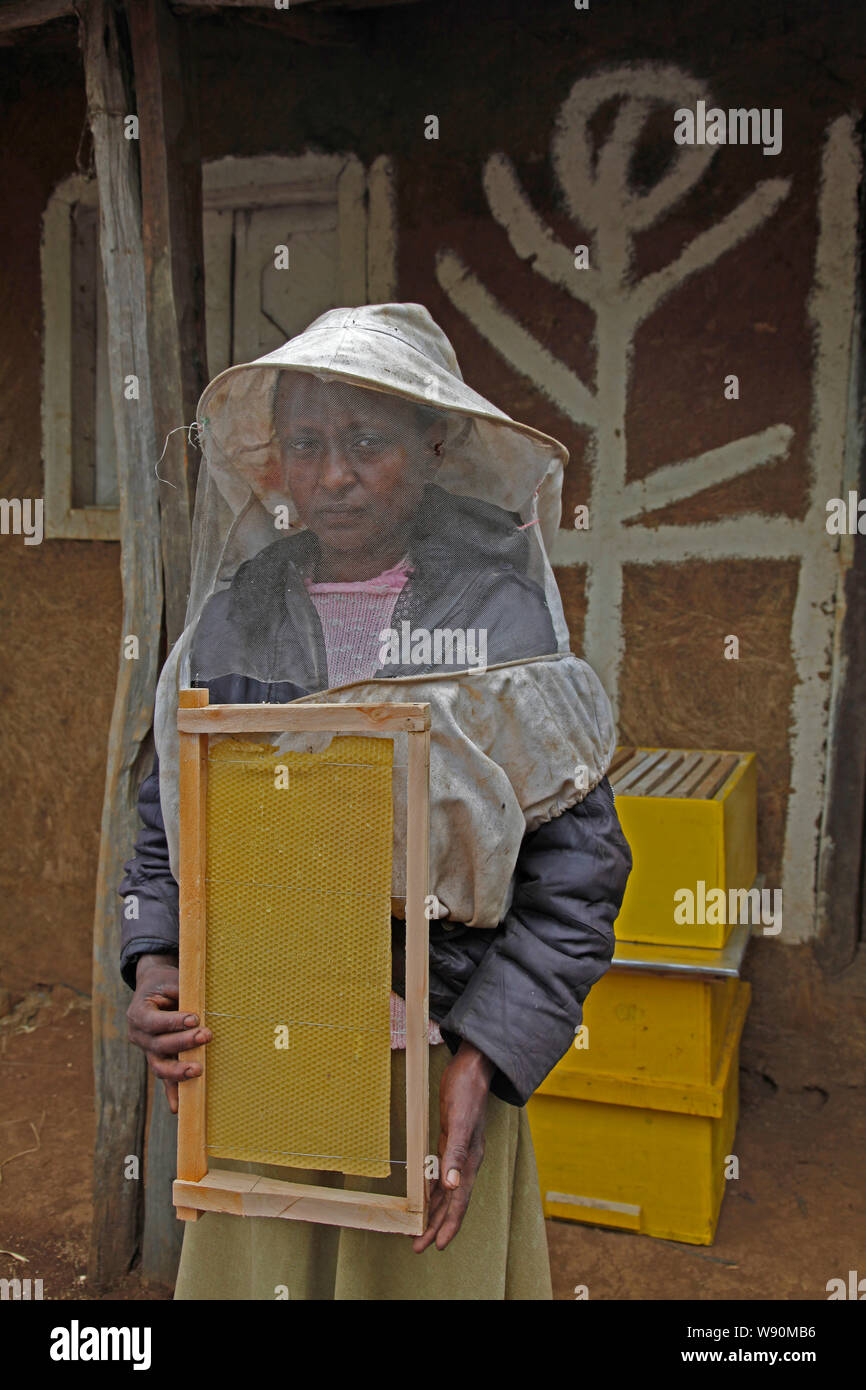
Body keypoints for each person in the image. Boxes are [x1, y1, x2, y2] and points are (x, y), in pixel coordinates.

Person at [120, 303, 633, 1299]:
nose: (333, 475)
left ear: (431, 446)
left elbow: (575, 870)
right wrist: (156, 961)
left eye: (366, 442)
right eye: (305, 444)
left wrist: (483, 1060)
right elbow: (168, 827)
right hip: (264, 1064)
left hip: (431, 1072)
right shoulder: (236, 621)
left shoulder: (498, 619)